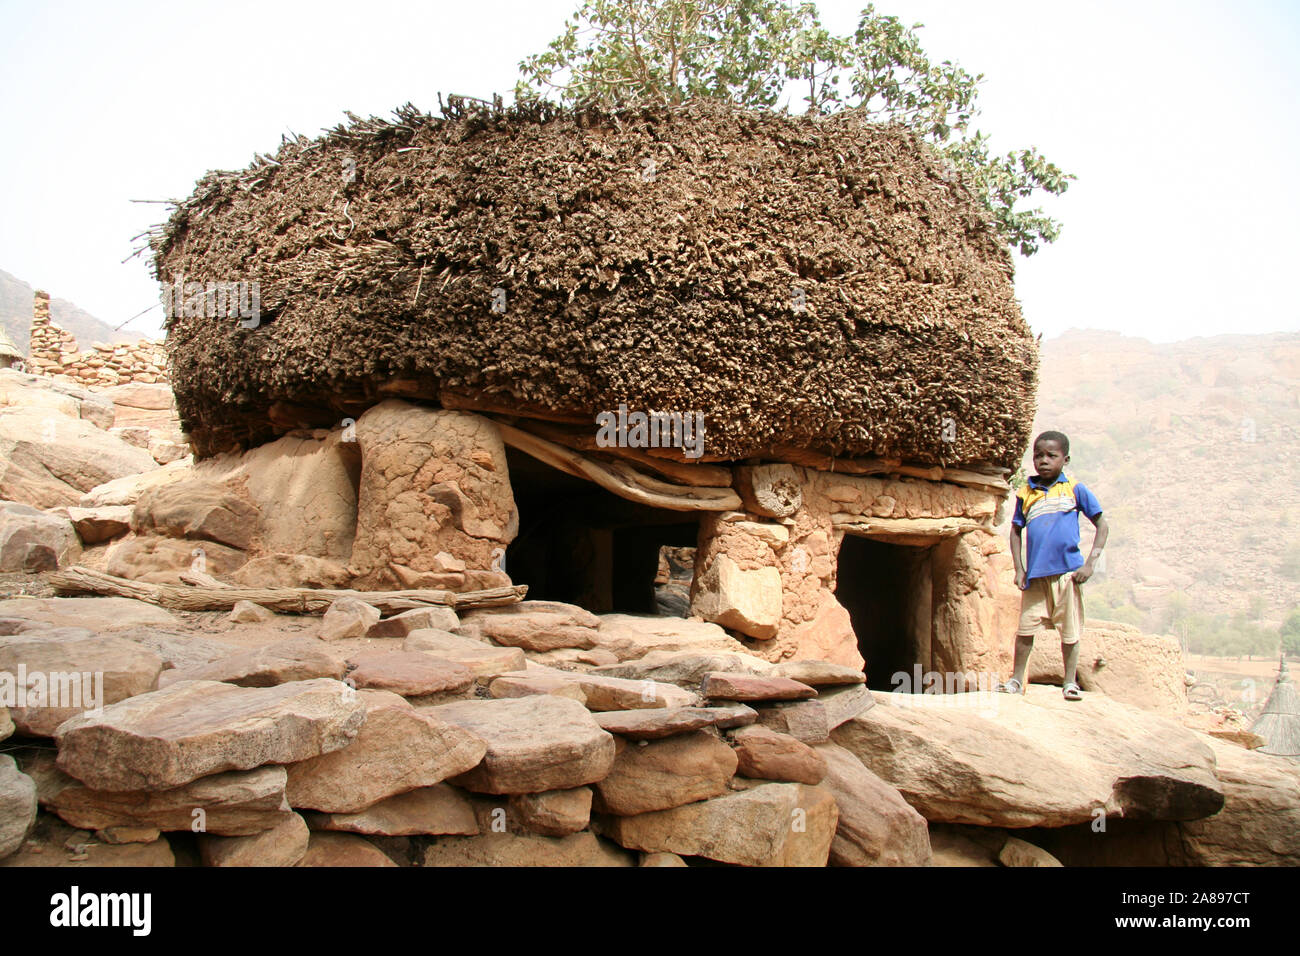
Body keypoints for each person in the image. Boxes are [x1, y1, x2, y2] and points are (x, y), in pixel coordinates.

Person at [998, 430, 1108, 701]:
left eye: (1051, 455)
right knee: (1025, 631)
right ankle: (1015, 679)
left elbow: (1102, 525)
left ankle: (1070, 682)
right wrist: (1019, 569)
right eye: (1038, 455)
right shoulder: (1026, 492)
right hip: (1035, 577)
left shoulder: (1074, 488)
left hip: (1067, 575)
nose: (1043, 461)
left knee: (1069, 631)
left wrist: (1090, 565)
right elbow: (1015, 531)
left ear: (1065, 459)